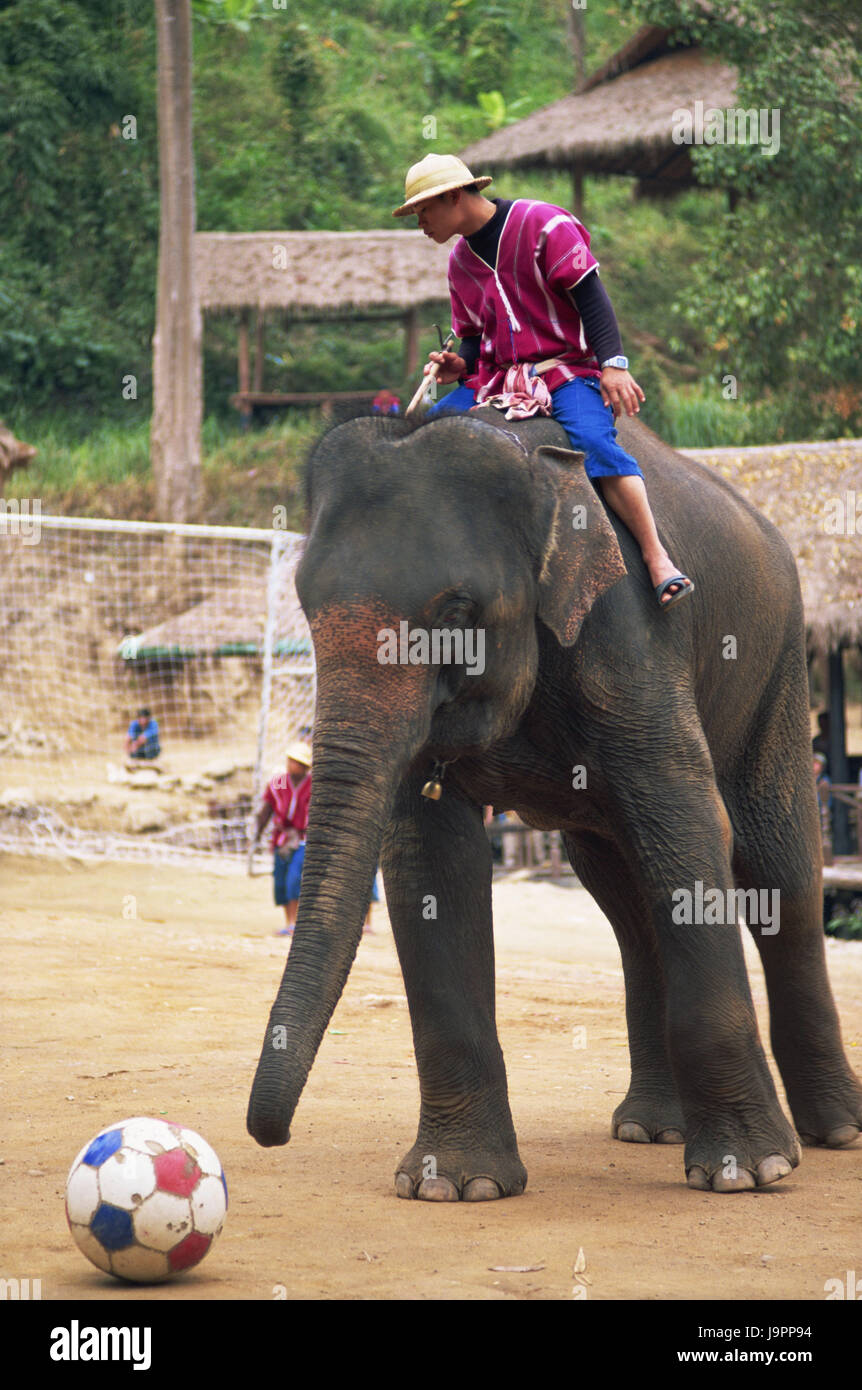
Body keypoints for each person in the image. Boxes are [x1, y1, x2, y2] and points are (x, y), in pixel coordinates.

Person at [393, 154, 694, 609]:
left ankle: (657, 558)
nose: (420, 222)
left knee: (593, 441)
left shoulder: (543, 225)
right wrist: (459, 367)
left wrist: (613, 364)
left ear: (454, 196)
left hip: (564, 370)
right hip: (495, 380)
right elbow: (474, 341)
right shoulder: (460, 264)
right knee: (426, 438)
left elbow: (592, 299)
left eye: (423, 210)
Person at [254, 740, 312, 937]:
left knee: (294, 879)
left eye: (295, 761)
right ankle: (288, 921)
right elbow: (267, 808)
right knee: (280, 880)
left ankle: (295, 923)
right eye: (289, 760)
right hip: (281, 839)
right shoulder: (278, 781)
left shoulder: (314, 784)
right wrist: (257, 832)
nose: (290, 765)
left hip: (303, 839)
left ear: (304, 766)